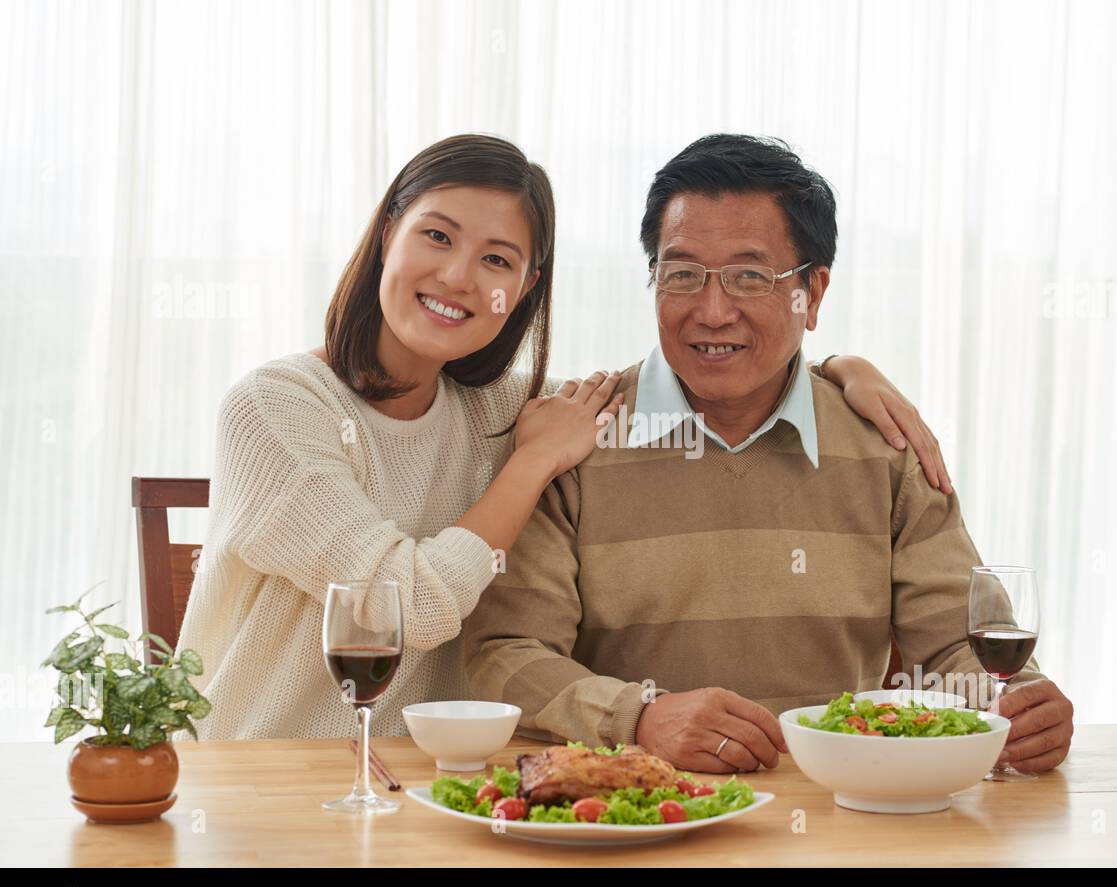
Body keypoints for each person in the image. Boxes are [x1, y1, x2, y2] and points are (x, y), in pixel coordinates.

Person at [178, 133, 955, 739]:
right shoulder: (278, 407)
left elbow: (724, 373)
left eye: (496, 259)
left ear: (525, 288)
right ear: (387, 234)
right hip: (267, 766)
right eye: (437, 236)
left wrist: (842, 369)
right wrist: (535, 461)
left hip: (430, 781)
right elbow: (410, 607)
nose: (457, 277)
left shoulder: (515, 409)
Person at [462, 134, 1074, 774]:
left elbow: (956, 646)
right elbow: (505, 653)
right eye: (682, 274)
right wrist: (637, 717)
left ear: (813, 293)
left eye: (751, 276)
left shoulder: (887, 444)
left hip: (841, 814)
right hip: (632, 817)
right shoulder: (575, 441)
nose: (712, 310)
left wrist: (1016, 702)